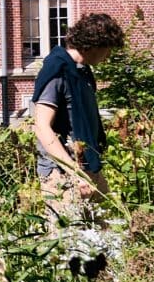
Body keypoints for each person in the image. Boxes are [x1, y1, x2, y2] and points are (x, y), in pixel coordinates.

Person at [32, 12, 125, 215]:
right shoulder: (57, 71)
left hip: (88, 167)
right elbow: (41, 126)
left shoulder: (81, 71)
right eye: (107, 50)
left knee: (109, 234)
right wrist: (75, 173)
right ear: (94, 45)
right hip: (63, 174)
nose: (108, 56)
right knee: (69, 241)